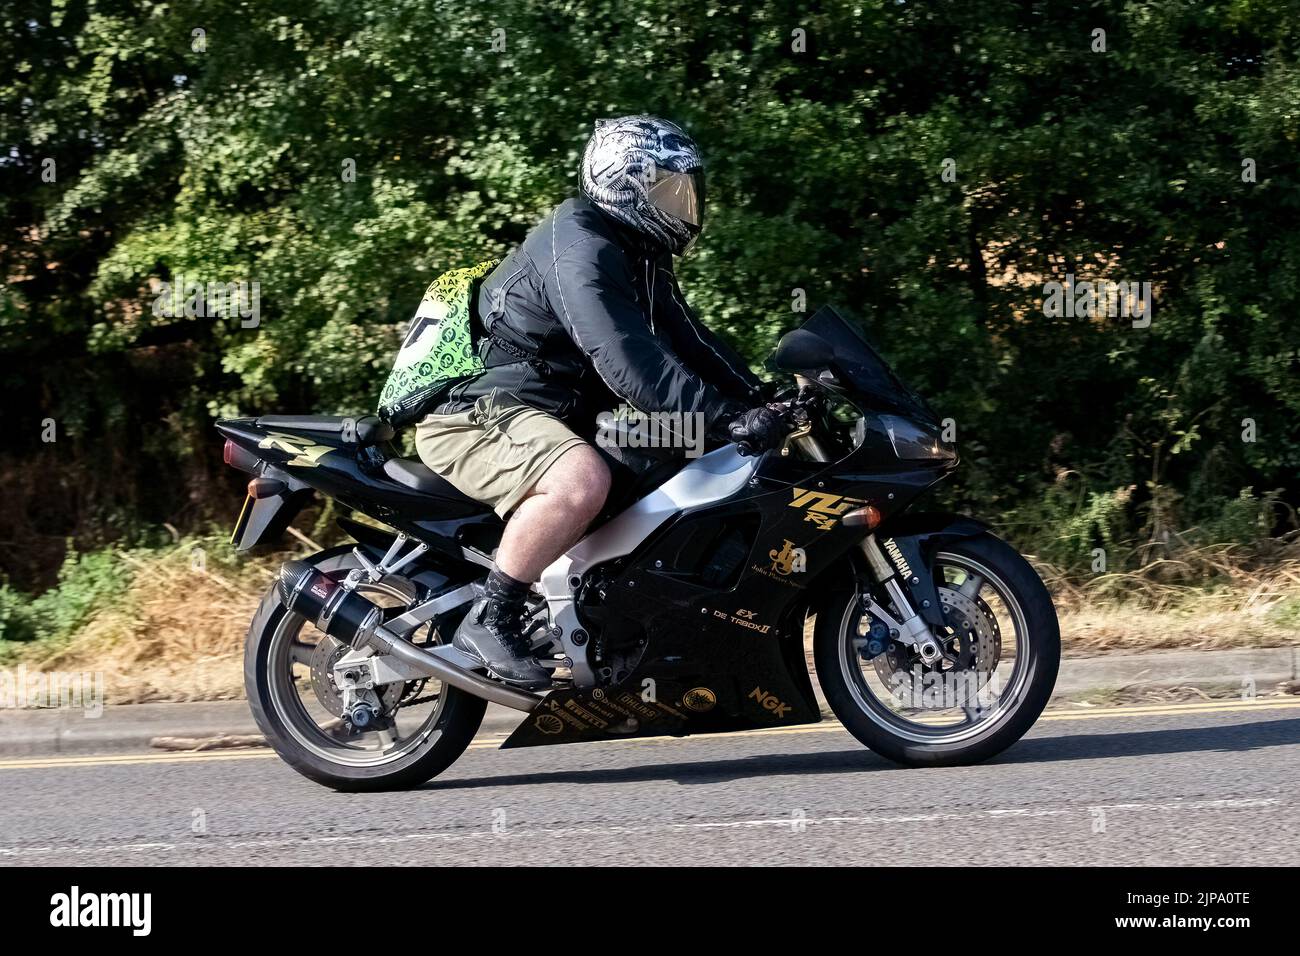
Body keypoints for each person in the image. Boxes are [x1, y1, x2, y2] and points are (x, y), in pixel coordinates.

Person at [415, 115, 788, 686]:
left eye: (688, 190)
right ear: (626, 184)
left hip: (552, 417)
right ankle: (493, 618)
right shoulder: (580, 247)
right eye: (671, 189)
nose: (687, 204)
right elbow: (628, 363)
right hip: (481, 415)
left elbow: (692, 342)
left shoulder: (636, 253)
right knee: (581, 482)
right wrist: (732, 415)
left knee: (684, 451)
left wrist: (766, 400)